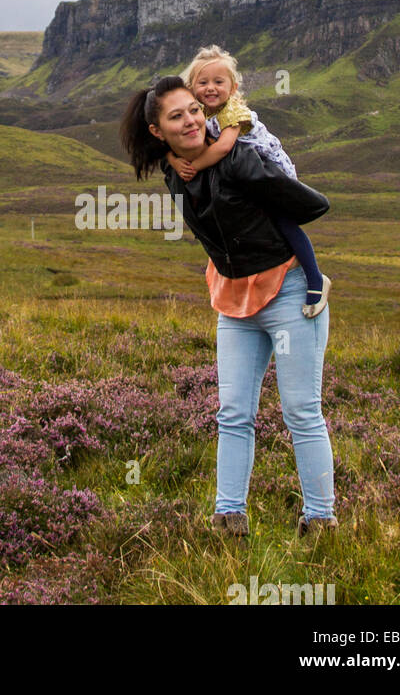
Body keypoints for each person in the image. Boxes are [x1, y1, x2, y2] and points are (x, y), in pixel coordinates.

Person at [119, 74, 338, 537]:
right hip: (233, 301)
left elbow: (306, 205)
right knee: (233, 413)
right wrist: (181, 159)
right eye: (176, 116)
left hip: (289, 293)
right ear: (158, 132)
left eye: (195, 110)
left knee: (301, 411)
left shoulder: (238, 157)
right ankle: (228, 516)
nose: (191, 120)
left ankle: (321, 521)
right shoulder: (173, 168)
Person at [168, 44, 331, 316]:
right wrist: (174, 161)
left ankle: (315, 279)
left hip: (271, 171)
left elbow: (223, 148)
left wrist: (193, 166)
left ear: (232, 88)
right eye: (203, 82)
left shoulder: (233, 111)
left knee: (284, 223)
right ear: (191, 87)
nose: (211, 88)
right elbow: (170, 140)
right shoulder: (198, 112)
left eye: (219, 82)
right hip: (245, 177)